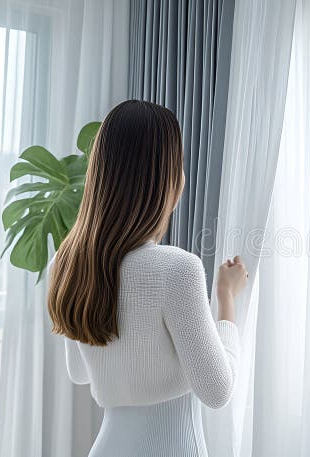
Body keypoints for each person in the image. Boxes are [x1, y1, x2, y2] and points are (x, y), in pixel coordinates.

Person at [47, 100, 246, 456]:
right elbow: (218, 391)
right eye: (179, 163)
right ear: (165, 177)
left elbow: (80, 372)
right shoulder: (177, 270)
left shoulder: (66, 262)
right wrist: (226, 296)